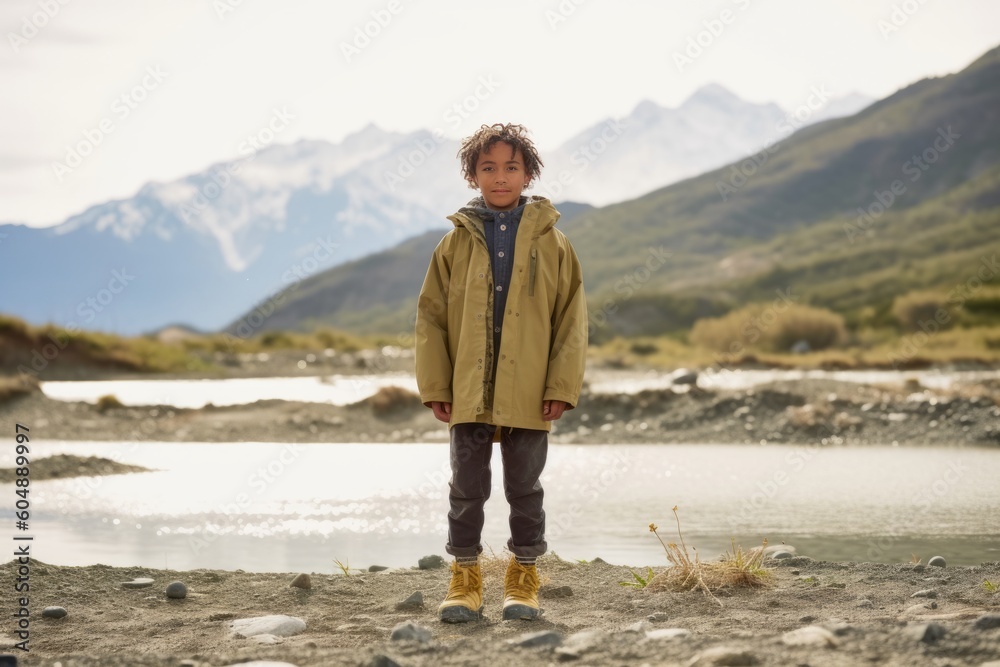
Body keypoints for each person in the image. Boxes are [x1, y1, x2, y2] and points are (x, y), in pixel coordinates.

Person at [414, 122, 588, 622]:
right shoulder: (453, 245)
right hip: (468, 390)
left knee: (525, 489)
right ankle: (464, 581)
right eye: (487, 167)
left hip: (531, 390)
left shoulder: (556, 244)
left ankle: (523, 578)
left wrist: (560, 386)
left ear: (528, 173)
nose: (500, 177)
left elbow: (571, 321)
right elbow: (430, 319)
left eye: (511, 167)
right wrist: (437, 386)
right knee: (466, 488)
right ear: (472, 176)